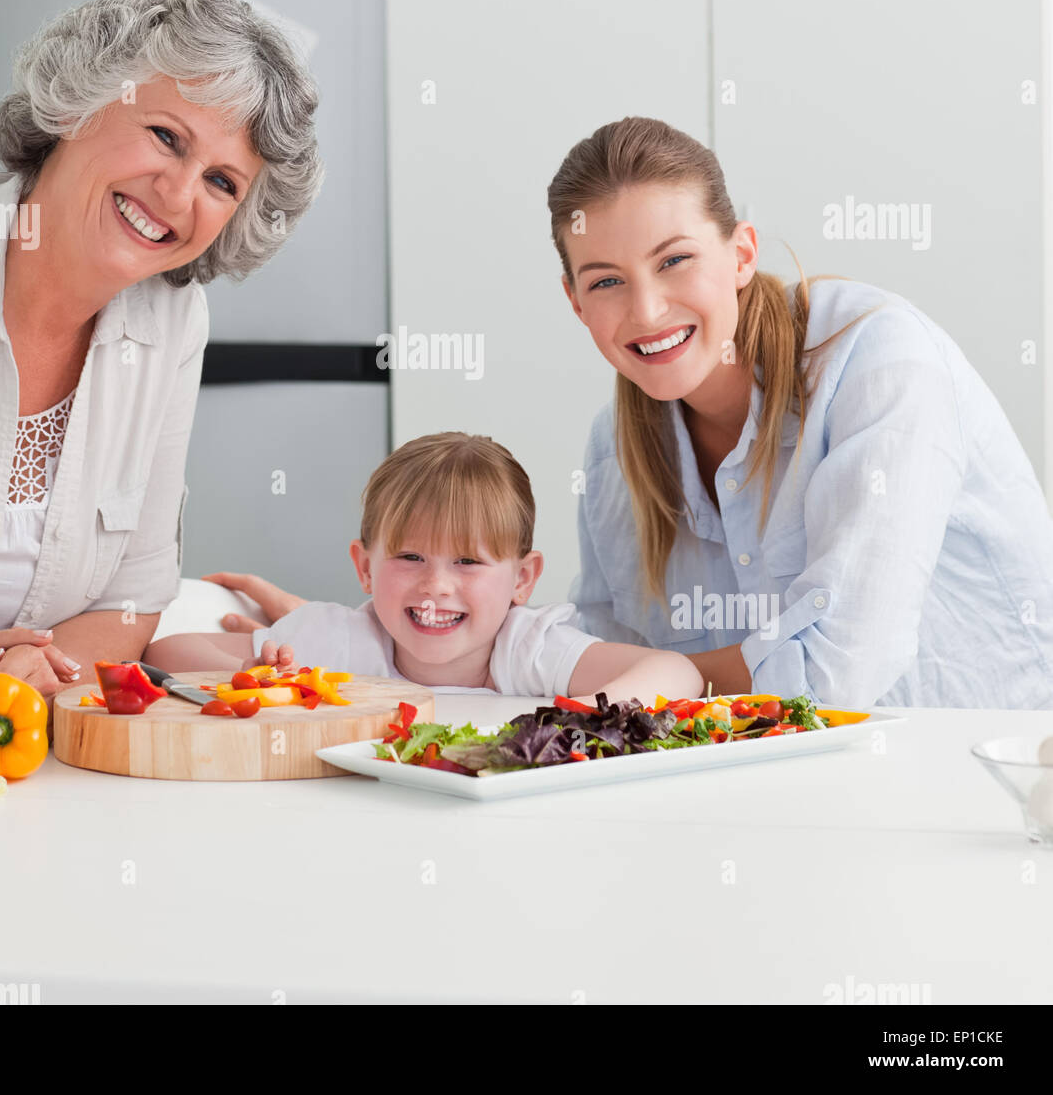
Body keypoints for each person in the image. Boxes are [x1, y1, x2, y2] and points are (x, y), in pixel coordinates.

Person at [0, 0, 322, 741]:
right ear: (80, 102)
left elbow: (134, 598)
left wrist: (16, 691)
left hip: (7, 762)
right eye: (166, 137)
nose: (178, 196)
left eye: (221, 181)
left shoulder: (173, 322)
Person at [549, 116, 1053, 708]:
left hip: (982, 775)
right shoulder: (613, 451)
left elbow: (836, 673)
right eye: (607, 281)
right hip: (768, 783)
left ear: (741, 254)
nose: (648, 310)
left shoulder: (877, 362)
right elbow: (606, 665)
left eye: (674, 260)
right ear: (576, 302)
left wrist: (664, 677)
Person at [146, 431, 705, 704]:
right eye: (410, 557)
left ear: (522, 580)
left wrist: (565, 720)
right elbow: (163, 655)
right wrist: (267, 674)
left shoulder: (527, 649)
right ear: (364, 569)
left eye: (467, 562)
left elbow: (677, 675)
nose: (436, 586)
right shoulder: (337, 643)